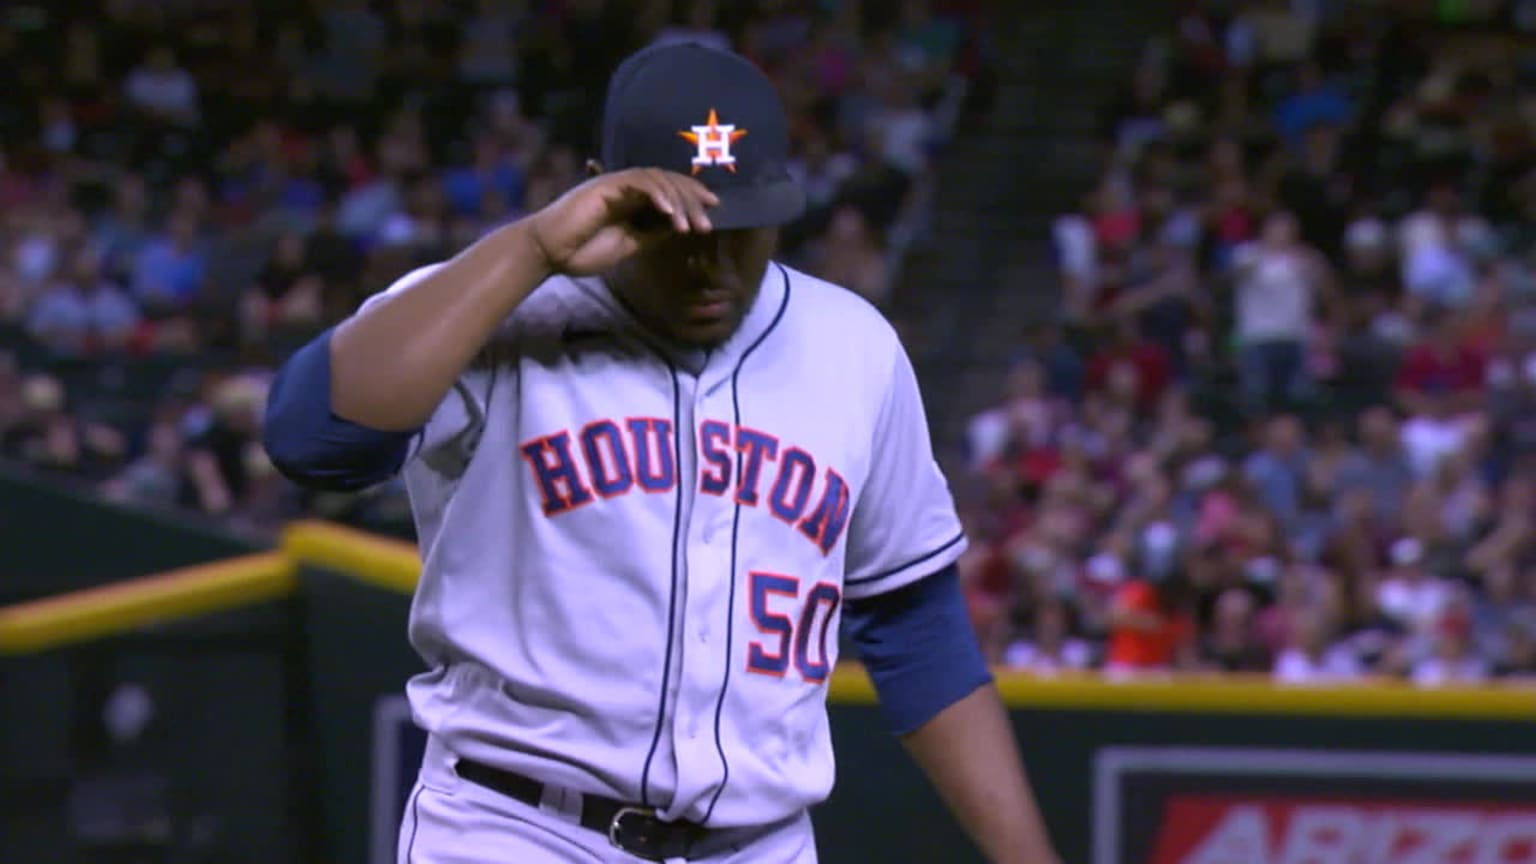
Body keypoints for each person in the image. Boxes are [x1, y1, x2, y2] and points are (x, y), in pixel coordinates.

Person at [264, 42, 1059, 864]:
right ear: (601, 194)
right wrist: (532, 248)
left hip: (759, 844)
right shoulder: (491, 308)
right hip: (517, 826)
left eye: (738, 228)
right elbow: (312, 440)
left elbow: (915, 627)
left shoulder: (853, 348)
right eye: (674, 226)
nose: (709, 260)